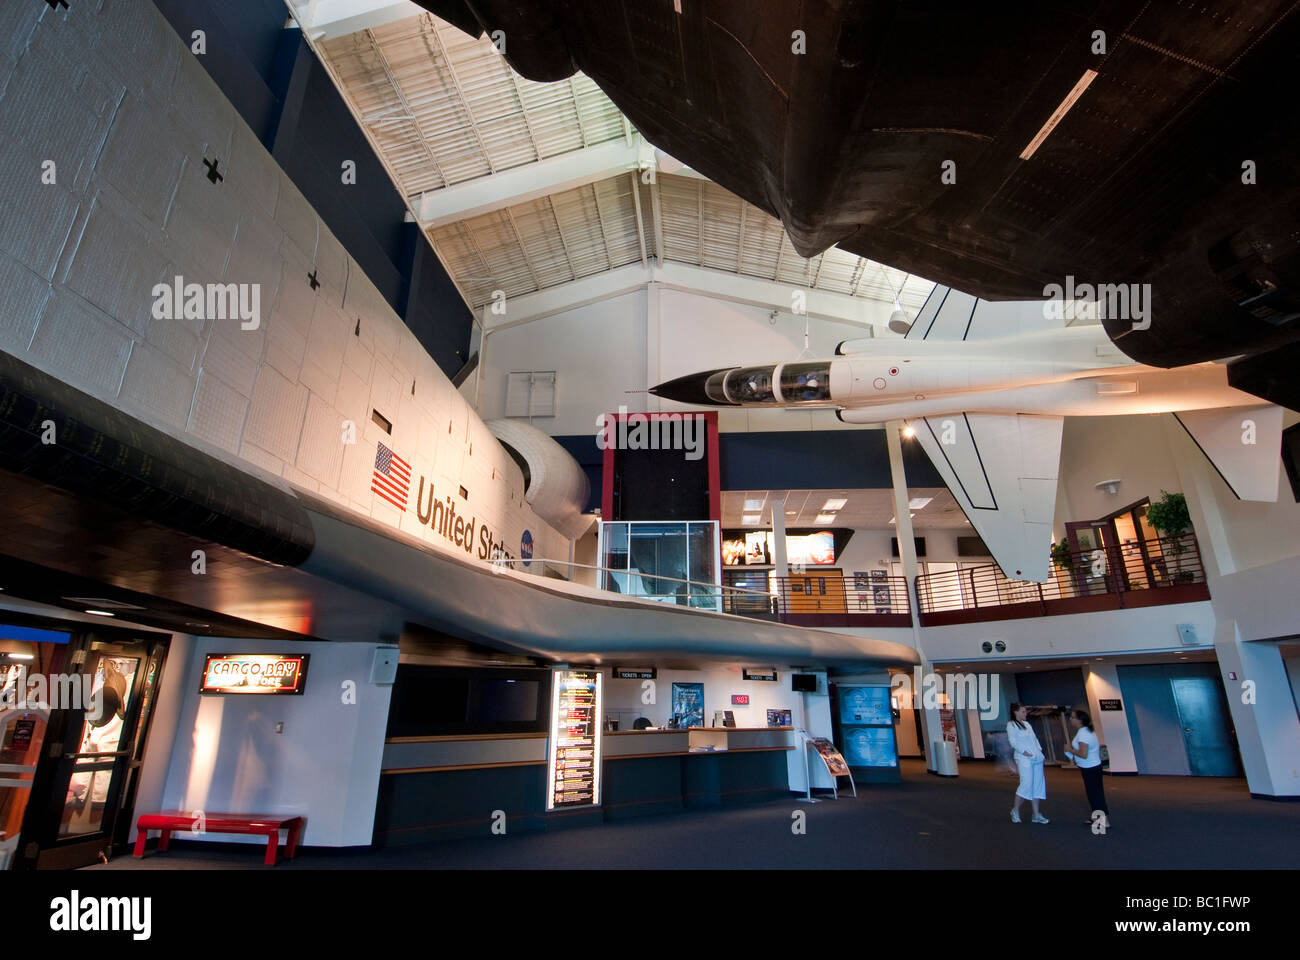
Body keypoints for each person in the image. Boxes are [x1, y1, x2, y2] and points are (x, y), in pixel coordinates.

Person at [1006, 703, 1049, 823]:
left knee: (1038, 785)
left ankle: (1036, 814)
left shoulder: (1027, 725)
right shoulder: (1011, 725)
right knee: (1026, 784)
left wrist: (1039, 752)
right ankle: (1015, 810)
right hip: (1023, 758)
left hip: (1036, 758)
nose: (1026, 714)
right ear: (1016, 712)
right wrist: (1026, 753)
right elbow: (1013, 742)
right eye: (1023, 712)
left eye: (1026, 711)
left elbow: (1035, 740)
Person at [1065, 709, 1109, 827]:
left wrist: (1070, 750)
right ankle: (1099, 819)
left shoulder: (1084, 734)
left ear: (1079, 721)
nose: (1070, 719)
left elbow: (1083, 754)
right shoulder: (1086, 731)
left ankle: (1103, 822)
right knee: (1095, 793)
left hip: (1090, 768)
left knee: (1095, 794)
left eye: (1072, 718)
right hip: (1092, 767)